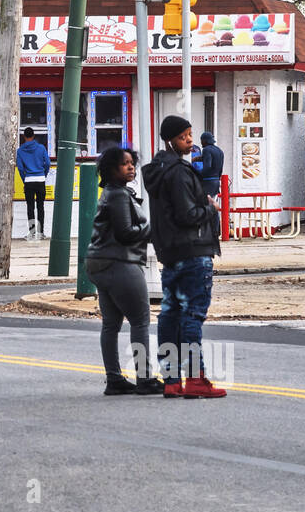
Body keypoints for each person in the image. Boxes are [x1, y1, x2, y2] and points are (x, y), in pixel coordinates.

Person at [141, 114, 226, 399]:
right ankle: (196, 379)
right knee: (192, 316)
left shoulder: (160, 170)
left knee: (171, 315)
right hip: (193, 251)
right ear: (170, 140)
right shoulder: (178, 171)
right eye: (183, 137)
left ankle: (172, 379)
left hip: (171, 254)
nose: (189, 141)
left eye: (190, 135)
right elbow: (187, 215)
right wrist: (211, 208)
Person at [86, 146, 162, 396]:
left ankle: (114, 378)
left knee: (111, 325)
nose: (131, 167)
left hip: (98, 263)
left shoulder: (111, 192)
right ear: (111, 169)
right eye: (124, 164)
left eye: (132, 163)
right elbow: (125, 233)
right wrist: (152, 231)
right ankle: (145, 378)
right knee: (140, 320)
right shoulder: (118, 195)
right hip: (120, 262)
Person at [16, 127, 50, 239]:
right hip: (40, 179)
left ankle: (32, 232)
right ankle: (41, 233)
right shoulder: (41, 148)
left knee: (30, 207)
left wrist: (24, 178)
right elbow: (48, 163)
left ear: (24, 136)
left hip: (29, 180)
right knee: (41, 206)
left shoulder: (20, 151)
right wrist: (43, 174)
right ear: (34, 136)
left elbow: (20, 168)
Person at [198, 131, 225, 199]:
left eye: (201, 140)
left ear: (204, 140)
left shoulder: (206, 150)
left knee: (205, 206)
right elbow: (220, 167)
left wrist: (197, 173)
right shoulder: (219, 150)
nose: (201, 142)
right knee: (212, 205)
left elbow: (207, 166)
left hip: (208, 182)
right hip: (216, 182)